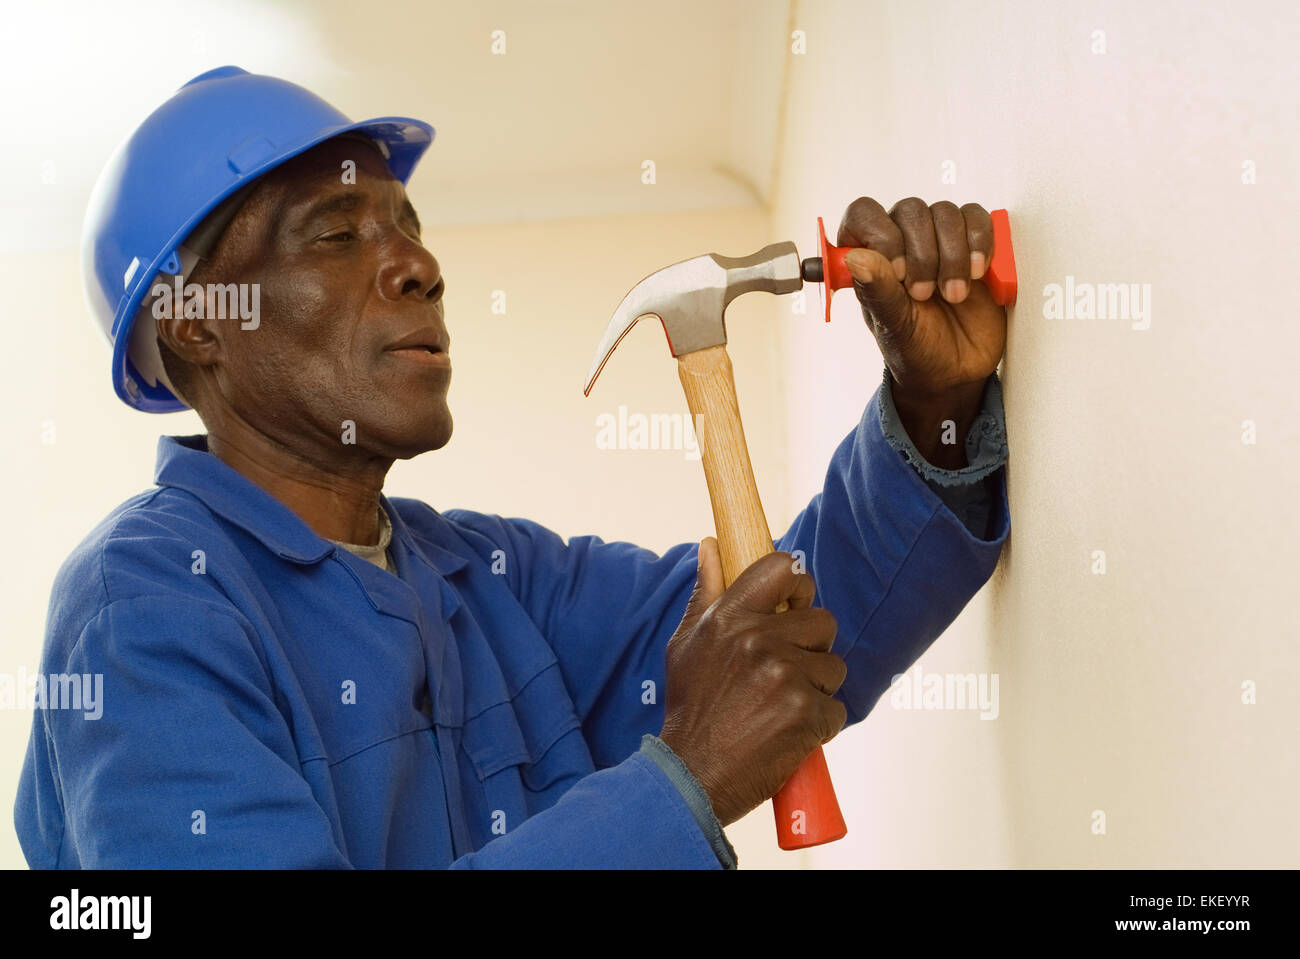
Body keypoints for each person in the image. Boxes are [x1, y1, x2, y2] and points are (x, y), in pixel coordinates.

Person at [15, 67, 1010, 869]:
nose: (418, 264)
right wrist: (688, 780)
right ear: (198, 325)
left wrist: (936, 411)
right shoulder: (146, 608)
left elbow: (786, 634)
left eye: (408, 225)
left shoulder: (496, 578)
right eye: (336, 233)